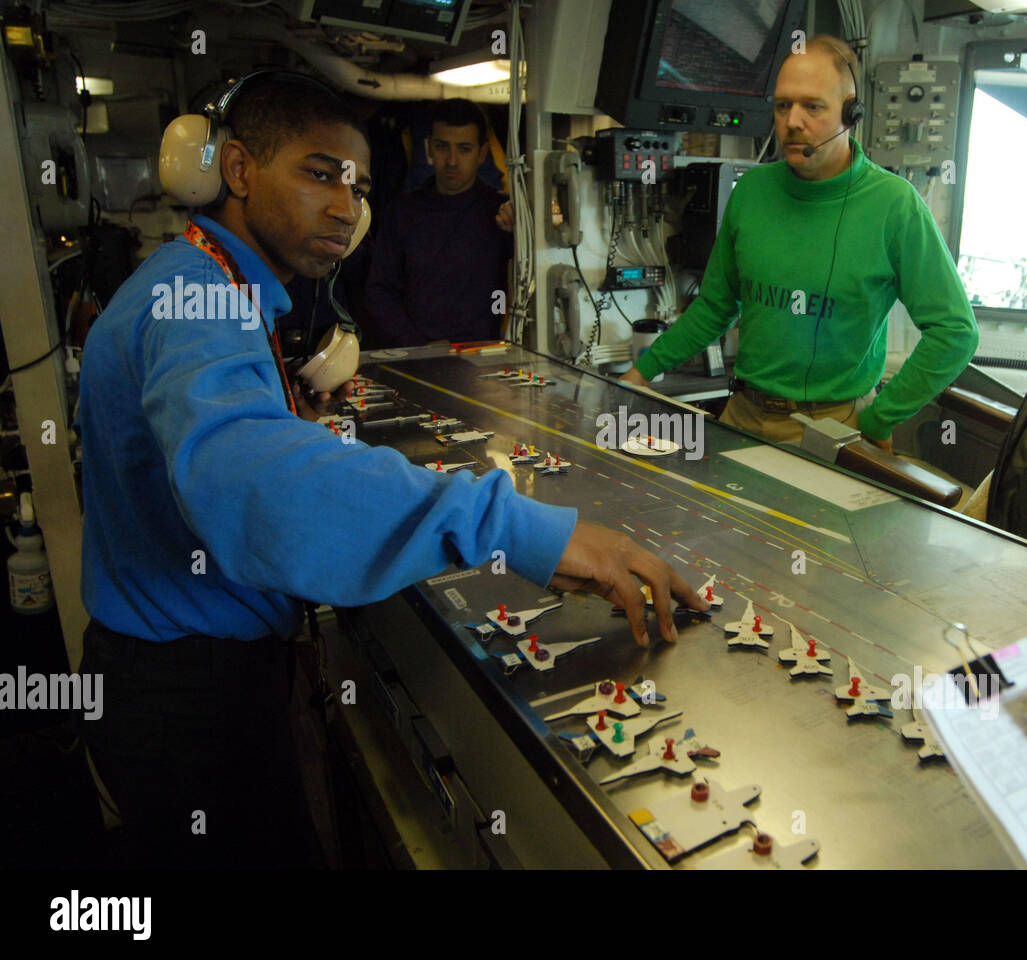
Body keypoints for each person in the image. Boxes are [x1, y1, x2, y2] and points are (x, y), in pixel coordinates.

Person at [76, 74, 706, 868]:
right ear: (236, 170)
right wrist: (513, 526)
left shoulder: (212, 284)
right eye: (317, 173)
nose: (345, 208)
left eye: (359, 186)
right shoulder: (194, 299)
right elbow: (252, 485)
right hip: (186, 695)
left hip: (200, 672)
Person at [622, 35, 978, 453]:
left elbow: (955, 332)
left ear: (850, 113)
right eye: (782, 105)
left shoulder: (895, 206)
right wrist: (641, 373)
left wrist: (882, 415)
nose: (792, 121)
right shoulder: (752, 191)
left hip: (836, 428)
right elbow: (716, 305)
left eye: (812, 106)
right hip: (744, 417)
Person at [364, 98, 515, 346]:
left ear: (482, 153)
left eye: (464, 148)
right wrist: (417, 345)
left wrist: (517, 232)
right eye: (443, 147)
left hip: (485, 354)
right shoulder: (402, 212)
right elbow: (380, 292)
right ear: (430, 148)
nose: (452, 160)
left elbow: (530, 283)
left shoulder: (501, 214)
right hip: (415, 355)